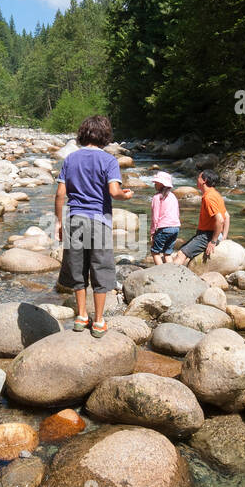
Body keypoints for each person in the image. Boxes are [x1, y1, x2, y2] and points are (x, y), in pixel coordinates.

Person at [54, 115, 132, 337]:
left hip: (75, 219)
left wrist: (59, 222)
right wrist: (126, 196)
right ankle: (98, 320)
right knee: (101, 268)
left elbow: (60, 194)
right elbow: (114, 192)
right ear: (105, 136)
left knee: (77, 269)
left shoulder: (71, 159)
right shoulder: (109, 161)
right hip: (99, 221)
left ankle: (81, 316)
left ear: (83, 134)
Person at [171, 169, 230, 266]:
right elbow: (227, 216)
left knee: (181, 254)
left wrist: (213, 241)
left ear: (204, 180)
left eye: (198, 177)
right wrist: (223, 237)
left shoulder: (209, 197)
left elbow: (220, 220)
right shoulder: (216, 194)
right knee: (183, 251)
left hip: (207, 236)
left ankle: (170, 279)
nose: (197, 179)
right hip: (211, 234)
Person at [149, 170, 181, 264]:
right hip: (175, 227)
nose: (154, 184)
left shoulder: (157, 197)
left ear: (162, 184)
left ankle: (161, 273)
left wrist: (152, 232)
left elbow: (155, 217)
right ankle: (171, 273)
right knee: (167, 253)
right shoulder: (173, 196)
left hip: (164, 228)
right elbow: (177, 213)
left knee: (155, 252)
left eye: (156, 182)